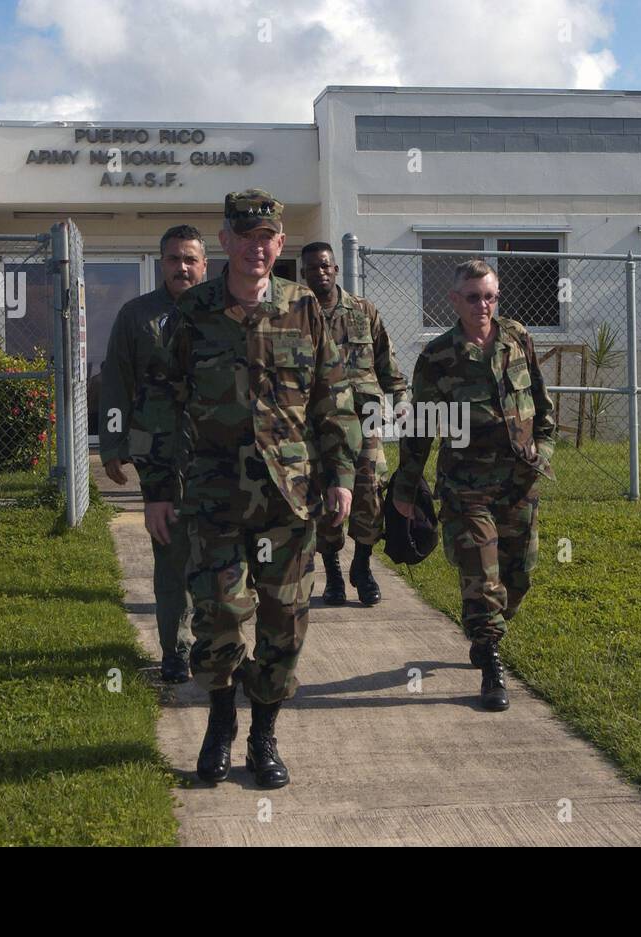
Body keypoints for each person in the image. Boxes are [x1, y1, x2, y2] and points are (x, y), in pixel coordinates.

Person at [135, 189, 361, 788]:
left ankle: (263, 733)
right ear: (226, 241)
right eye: (246, 235)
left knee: (284, 623)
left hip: (290, 497)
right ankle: (218, 725)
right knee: (218, 618)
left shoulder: (304, 307)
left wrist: (341, 476)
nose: (257, 246)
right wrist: (157, 488)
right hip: (214, 495)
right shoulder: (194, 312)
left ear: (279, 244)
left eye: (268, 237)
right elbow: (160, 399)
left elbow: (333, 400)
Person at [391, 259, 556, 712]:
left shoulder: (517, 338)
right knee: (482, 578)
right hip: (467, 487)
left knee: (518, 575)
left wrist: (544, 450)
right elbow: (422, 428)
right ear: (454, 300)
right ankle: (490, 662)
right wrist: (406, 490)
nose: (482, 305)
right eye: (472, 297)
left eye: (489, 296)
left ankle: (489, 632)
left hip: (520, 482)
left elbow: (542, 403)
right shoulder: (438, 356)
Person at [98, 224, 207, 683]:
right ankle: (175, 650)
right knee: (171, 554)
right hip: (158, 453)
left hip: (216, 454)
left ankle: (214, 644)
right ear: (161, 262)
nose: (181, 267)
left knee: (219, 553)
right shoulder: (136, 315)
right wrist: (112, 445)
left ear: (204, 264)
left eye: (190, 259)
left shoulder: (224, 312)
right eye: (173, 259)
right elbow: (115, 382)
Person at [300, 242, 409, 607]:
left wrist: (402, 399)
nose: (321, 273)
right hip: (318, 422)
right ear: (304, 274)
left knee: (369, 494)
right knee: (328, 495)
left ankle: (361, 566)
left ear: (335, 269)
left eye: (326, 266)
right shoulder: (295, 314)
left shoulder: (364, 311)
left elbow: (386, 364)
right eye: (313, 268)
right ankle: (332, 571)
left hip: (366, 420)